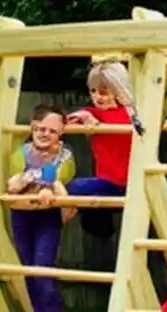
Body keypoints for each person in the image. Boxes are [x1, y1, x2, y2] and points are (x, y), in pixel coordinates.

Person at [5, 104, 76, 312]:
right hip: (22, 215)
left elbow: (57, 176)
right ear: (32, 127)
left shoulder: (64, 155)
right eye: (40, 128)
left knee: (42, 269)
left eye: (52, 131)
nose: (45, 134)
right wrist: (28, 181)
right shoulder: (21, 152)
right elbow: (14, 182)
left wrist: (38, 183)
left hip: (46, 217)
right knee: (29, 273)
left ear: (61, 135)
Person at [64, 61, 135, 263]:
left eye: (104, 92)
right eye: (93, 91)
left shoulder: (130, 114)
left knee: (72, 188)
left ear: (118, 91)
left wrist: (97, 122)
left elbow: (124, 122)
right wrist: (85, 117)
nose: (97, 97)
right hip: (107, 183)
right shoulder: (93, 112)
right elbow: (67, 120)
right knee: (89, 216)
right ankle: (101, 232)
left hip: (125, 184)